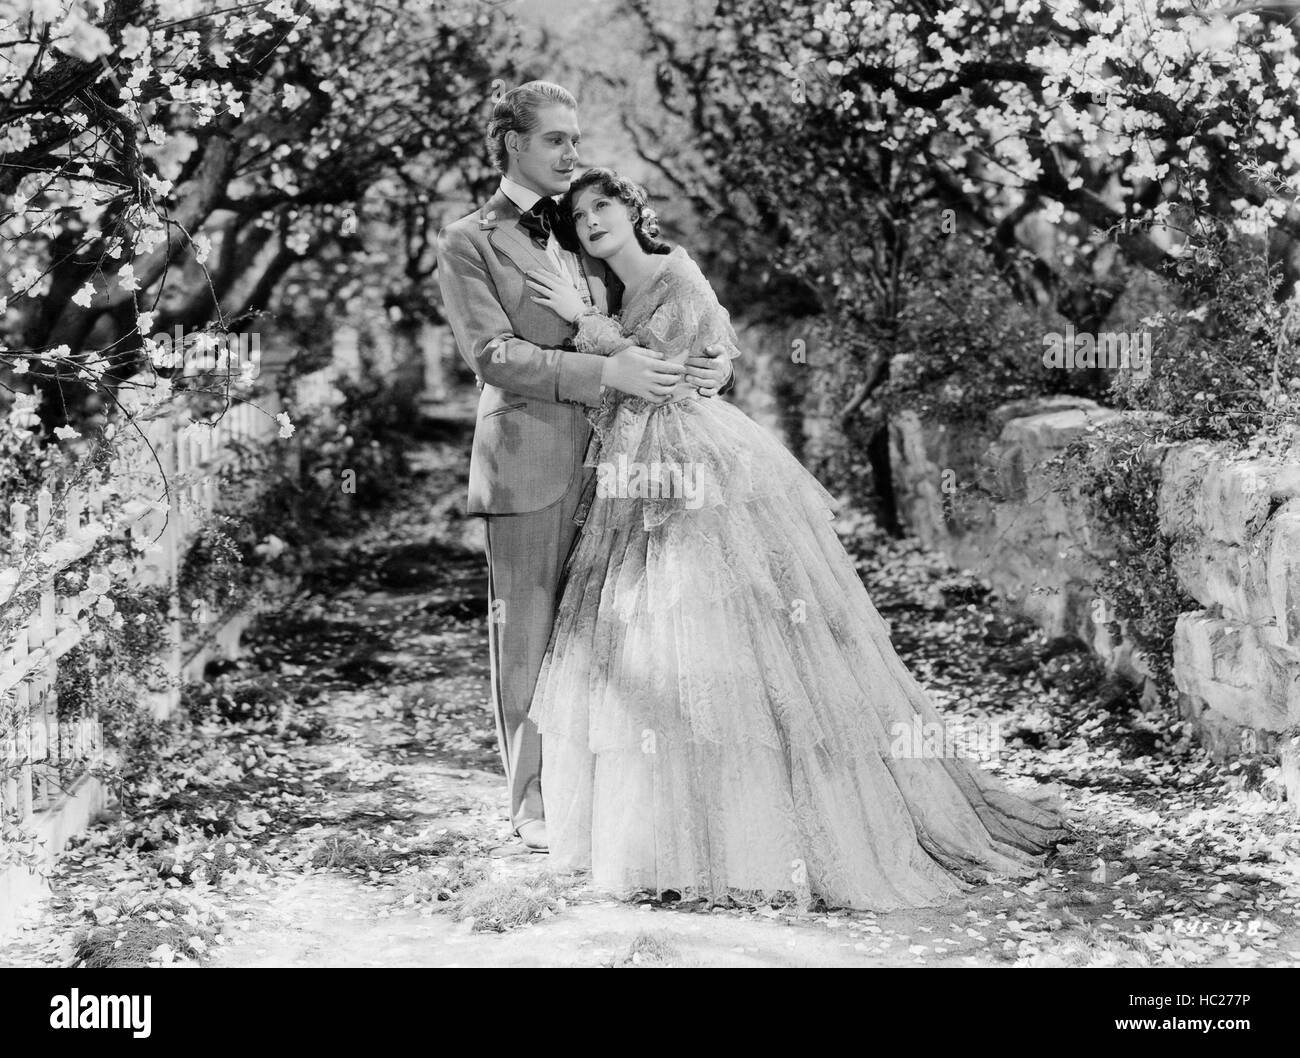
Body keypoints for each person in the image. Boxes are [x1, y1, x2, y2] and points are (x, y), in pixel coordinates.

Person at [524, 167, 1067, 909]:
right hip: (636, 470)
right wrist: (612, 331)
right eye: (579, 215)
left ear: (630, 208)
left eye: (603, 205)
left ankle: (765, 834)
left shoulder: (672, 271)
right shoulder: (613, 292)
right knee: (645, 640)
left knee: (713, 630)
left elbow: (657, 373)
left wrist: (592, 330)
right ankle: (666, 835)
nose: (591, 221)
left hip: (689, 462)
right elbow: (701, 358)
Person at [435, 84, 733, 852]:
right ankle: (534, 805)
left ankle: (604, 799)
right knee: (530, 636)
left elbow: (670, 291)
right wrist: (607, 376)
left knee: (608, 637)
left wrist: (715, 357)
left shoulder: (589, 225)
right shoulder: (468, 239)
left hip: (623, 466)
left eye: (575, 139)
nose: (573, 154)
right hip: (529, 461)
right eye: (555, 141)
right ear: (509, 143)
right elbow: (492, 355)